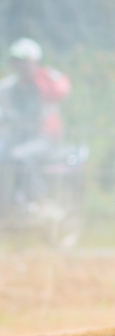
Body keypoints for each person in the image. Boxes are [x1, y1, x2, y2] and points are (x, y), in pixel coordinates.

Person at [1, 38, 72, 209]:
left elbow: (62, 89)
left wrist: (44, 75)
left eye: (24, 60)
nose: (20, 65)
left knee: (21, 157)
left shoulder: (46, 82)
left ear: (34, 62)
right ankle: (7, 202)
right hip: (16, 138)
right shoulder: (8, 87)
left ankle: (40, 203)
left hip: (44, 138)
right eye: (16, 60)